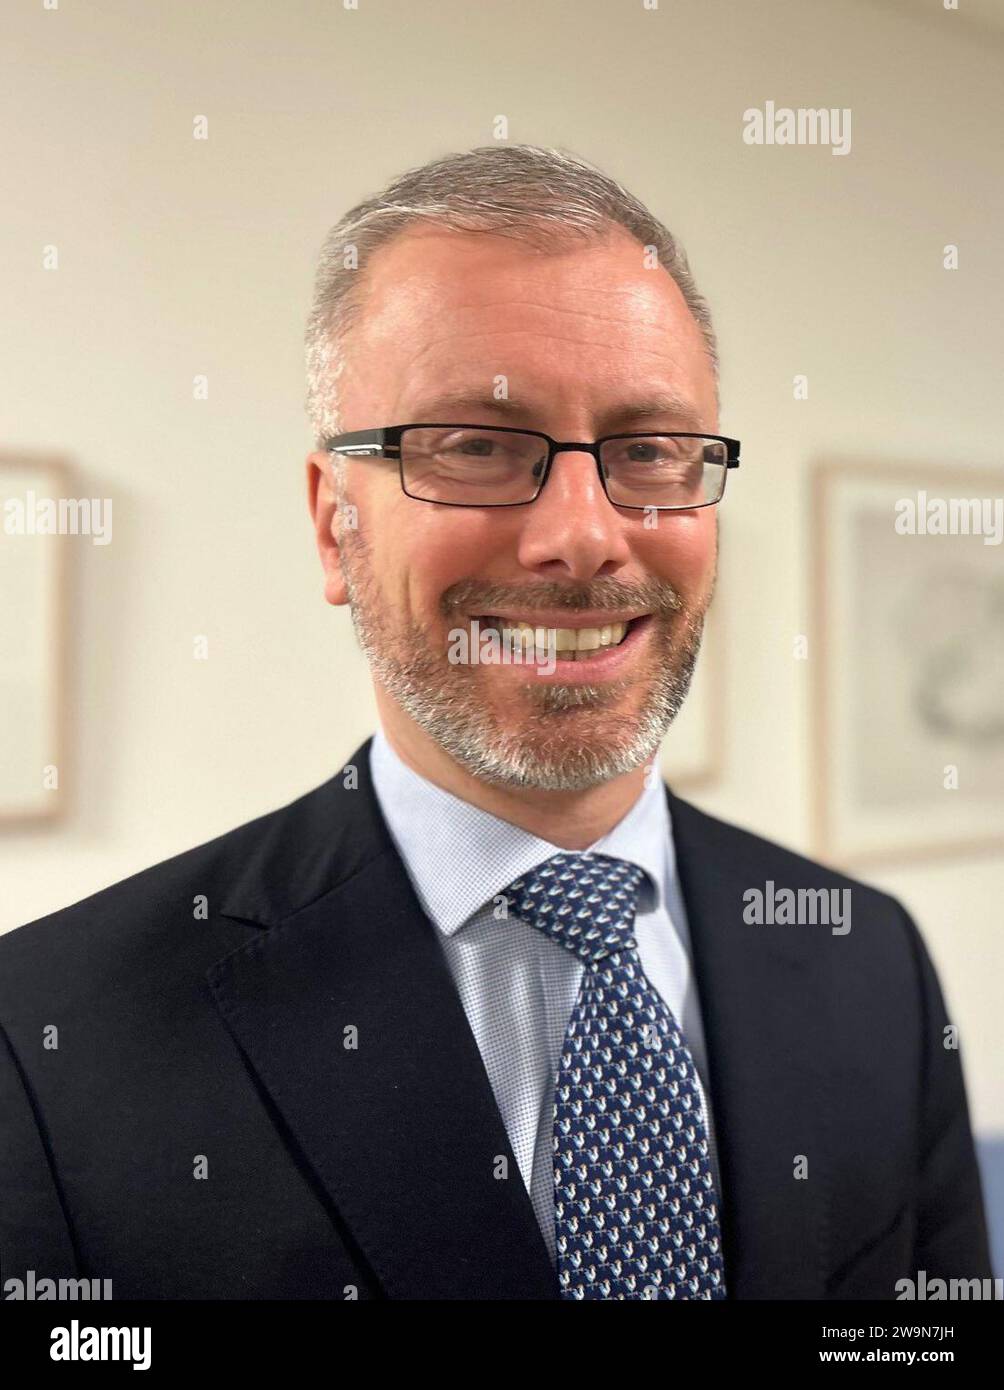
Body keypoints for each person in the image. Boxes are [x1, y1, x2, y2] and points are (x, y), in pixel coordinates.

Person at [0, 145, 991, 1301]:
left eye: (649, 451)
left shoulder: (863, 955)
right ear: (334, 526)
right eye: (474, 444)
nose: (583, 533)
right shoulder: (53, 1040)